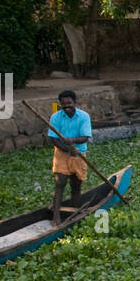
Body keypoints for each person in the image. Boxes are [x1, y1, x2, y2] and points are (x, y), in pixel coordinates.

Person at [48, 90, 92, 224]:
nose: (67, 106)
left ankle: (74, 211)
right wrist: (67, 149)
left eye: (69, 103)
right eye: (63, 103)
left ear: (74, 102)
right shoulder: (55, 117)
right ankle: (56, 216)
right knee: (60, 183)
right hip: (61, 154)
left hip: (79, 153)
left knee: (76, 184)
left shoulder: (84, 116)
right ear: (60, 104)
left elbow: (85, 137)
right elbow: (53, 139)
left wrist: (72, 141)